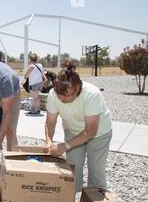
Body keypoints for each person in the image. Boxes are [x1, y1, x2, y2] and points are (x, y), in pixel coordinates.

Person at [45, 61, 113, 193]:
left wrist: (65, 146)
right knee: (72, 170)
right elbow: (50, 123)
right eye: (59, 92)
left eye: (66, 94)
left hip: (99, 133)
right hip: (72, 131)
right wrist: (48, 140)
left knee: (96, 170)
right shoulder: (53, 95)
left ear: (78, 87)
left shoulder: (92, 94)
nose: (62, 97)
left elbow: (90, 131)